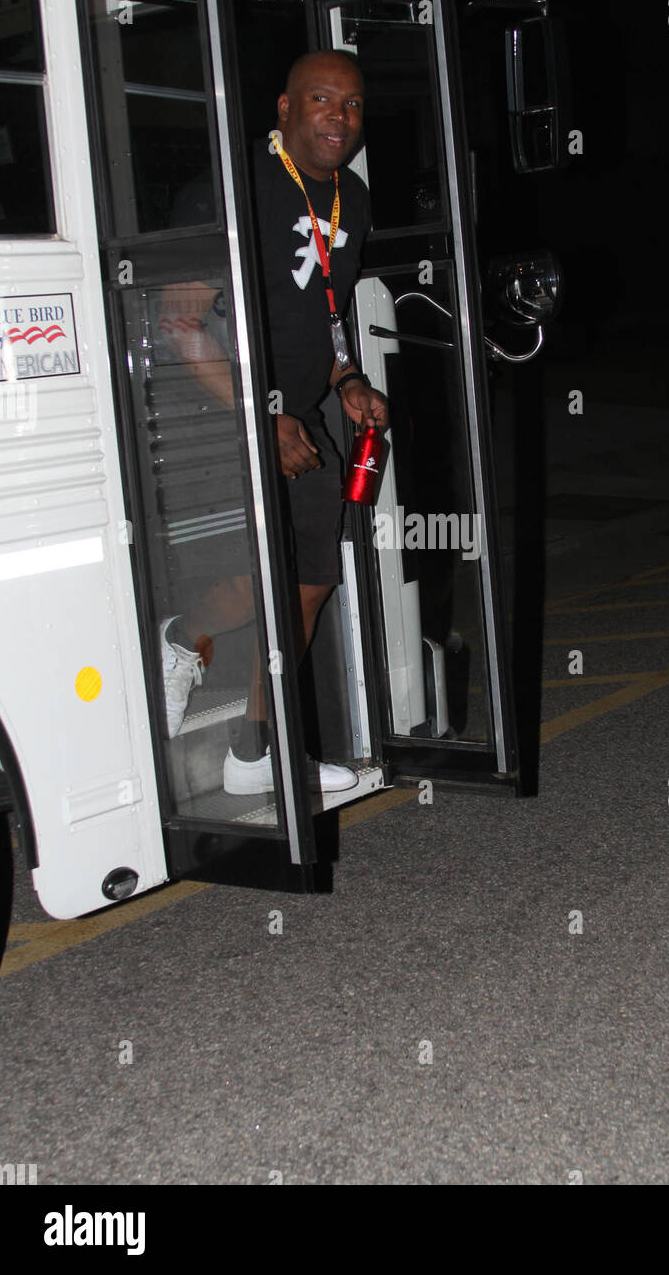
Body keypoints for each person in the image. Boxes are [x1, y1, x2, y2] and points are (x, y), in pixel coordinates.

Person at [159, 50, 388, 795]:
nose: (338, 117)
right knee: (248, 584)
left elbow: (320, 314)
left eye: (351, 104)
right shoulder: (235, 189)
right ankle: (175, 645)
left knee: (312, 583)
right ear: (284, 110)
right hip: (216, 416)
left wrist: (346, 379)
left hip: (294, 417)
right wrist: (266, 416)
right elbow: (181, 323)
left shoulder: (351, 198)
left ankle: (256, 754)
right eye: (321, 100)